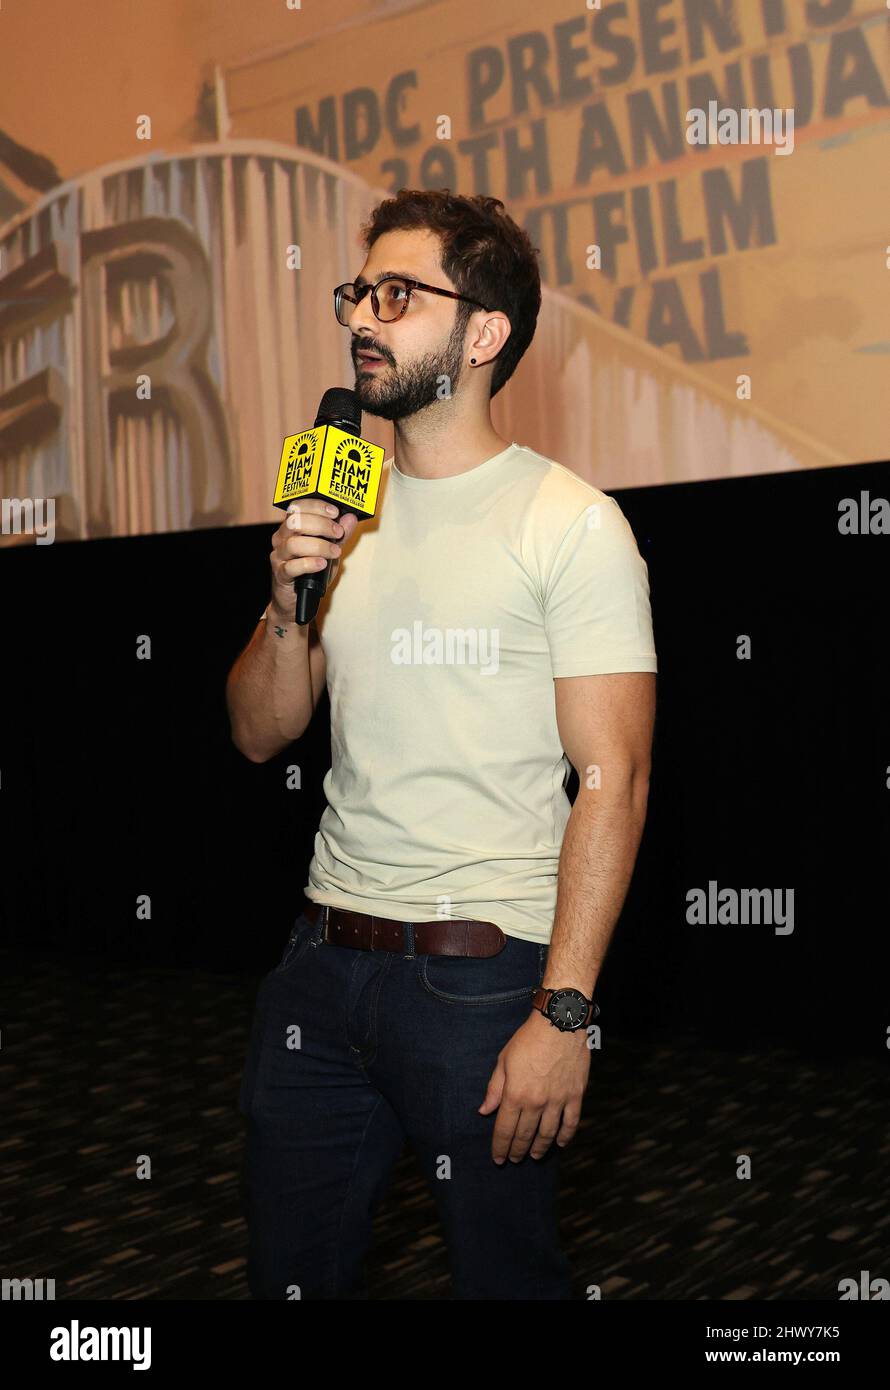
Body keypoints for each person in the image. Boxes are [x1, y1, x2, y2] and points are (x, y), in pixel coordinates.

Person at [226, 189, 657, 1300]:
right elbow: (257, 729)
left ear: (481, 333)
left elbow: (615, 779)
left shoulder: (567, 523)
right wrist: (287, 603)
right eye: (356, 292)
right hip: (319, 971)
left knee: (505, 1284)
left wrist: (564, 1013)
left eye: (397, 293)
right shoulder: (336, 510)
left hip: (482, 980)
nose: (363, 316)